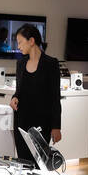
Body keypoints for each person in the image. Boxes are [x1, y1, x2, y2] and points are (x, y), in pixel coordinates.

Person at [10, 23, 61, 164]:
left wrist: (56, 126)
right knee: (24, 161)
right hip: (21, 121)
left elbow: (55, 97)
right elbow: (19, 91)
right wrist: (14, 98)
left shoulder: (51, 63)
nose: (18, 46)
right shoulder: (20, 64)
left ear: (31, 41)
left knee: (40, 162)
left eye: (20, 42)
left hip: (42, 123)